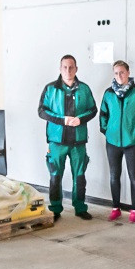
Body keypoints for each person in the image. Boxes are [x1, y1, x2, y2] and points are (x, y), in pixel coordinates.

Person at [39, 55, 97, 221]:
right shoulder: (50, 89)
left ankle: (80, 207)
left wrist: (81, 119)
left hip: (78, 142)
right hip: (57, 142)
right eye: (64, 67)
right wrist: (62, 120)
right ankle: (55, 208)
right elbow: (42, 111)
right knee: (55, 176)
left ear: (76, 69)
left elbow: (93, 110)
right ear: (60, 69)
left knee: (79, 176)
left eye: (71, 67)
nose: (68, 70)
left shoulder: (84, 89)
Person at [99, 60, 135, 222]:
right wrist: (107, 131)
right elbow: (103, 115)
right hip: (112, 143)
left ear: (128, 72)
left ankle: (134, 210)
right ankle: (116, 208)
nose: (119, 76)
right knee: (114, 175)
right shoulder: (108, 93)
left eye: (122, 72)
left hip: (132, 143)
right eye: (116, 73)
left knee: (134, 176)